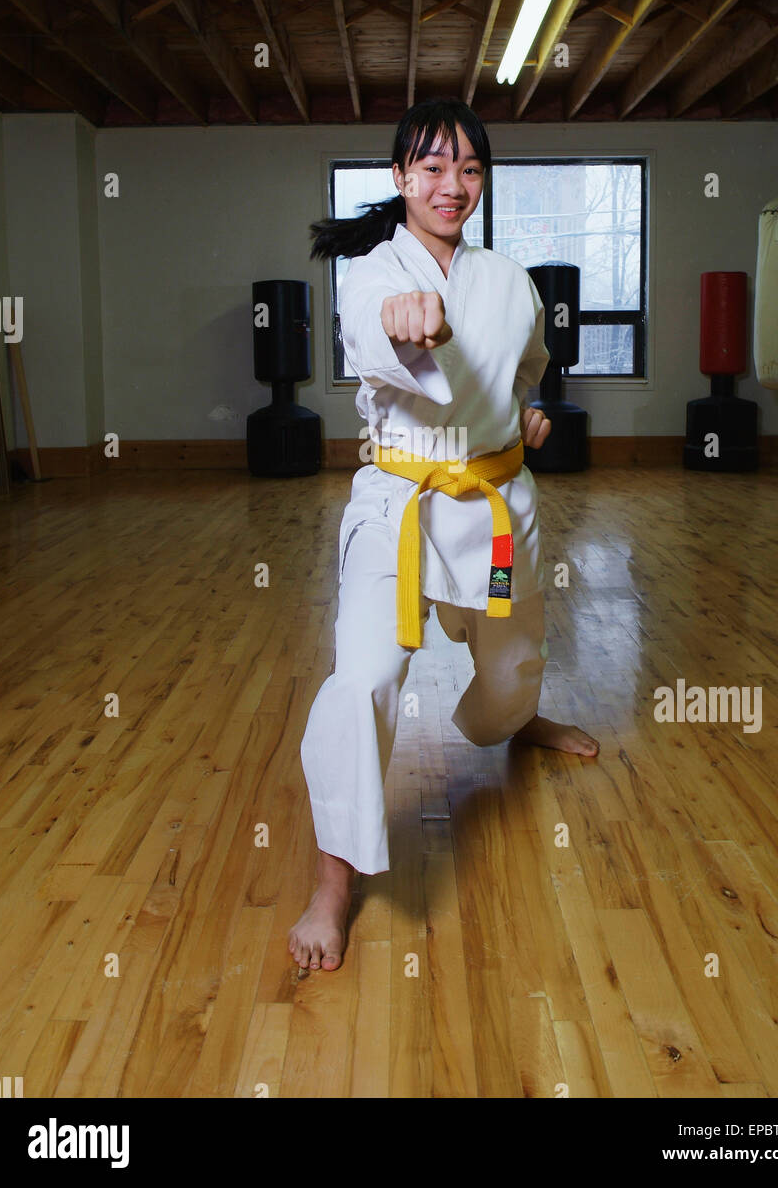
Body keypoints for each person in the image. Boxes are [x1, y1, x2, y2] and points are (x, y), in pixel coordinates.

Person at [289, 97, 599, 974]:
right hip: (399, 505)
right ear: (398, 177)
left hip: (496, 504)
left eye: (467, 169)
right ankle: (333, 882)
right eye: (430, 168)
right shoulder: (374, 275)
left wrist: (530, 414)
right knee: (363, 682)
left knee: (510, 671)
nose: (450, 186)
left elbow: (528, 374)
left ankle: (516, 720)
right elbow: (383, 334)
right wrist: (407, 322)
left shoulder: (508, 280)